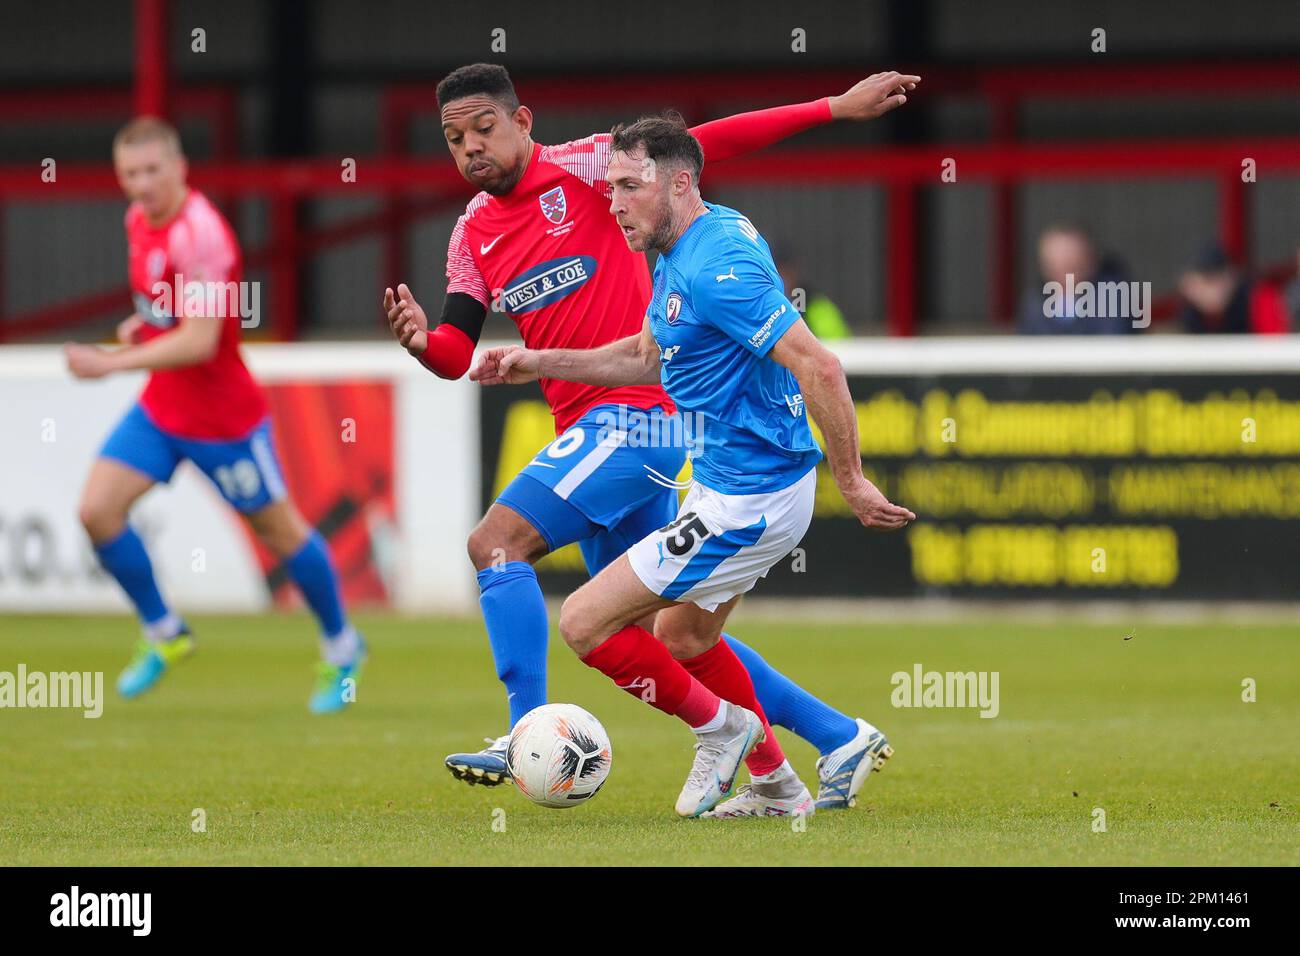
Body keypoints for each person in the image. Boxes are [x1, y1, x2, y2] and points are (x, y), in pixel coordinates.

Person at [386, 63, 917, 809]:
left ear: (523, 122)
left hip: (641, 419)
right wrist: (419, 342)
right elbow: (453, 349)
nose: (471, 147)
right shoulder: (472, 233)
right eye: (453, 138)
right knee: (668, 631)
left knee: (495, 544)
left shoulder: (593, 169)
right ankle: (817, 746)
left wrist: (834, 106)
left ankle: (525, 729)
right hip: (601, 431)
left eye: (484, 128)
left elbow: (702, 147)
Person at [65, 117, 364, 714]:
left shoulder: (202, 234)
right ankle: (165, 633)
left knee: (280, 534)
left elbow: (202, 341)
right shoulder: (137, 221)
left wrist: (113, 362)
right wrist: (143, 323)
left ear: (180, 168)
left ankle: (342, 646)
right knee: (97, 511)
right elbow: (168, 308)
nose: (143, 183)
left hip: (224, 421)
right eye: (131, 173)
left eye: (153, 170)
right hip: (162, 408)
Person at [1017, 222, 1137, 334]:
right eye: (1054, 262)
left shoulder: (1113, 296)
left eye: (1069, 260)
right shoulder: (1035, 301)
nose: (1062, 267)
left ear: (1090, 260)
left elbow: (1112, 339)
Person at [1178, 243, 1290, 334]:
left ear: (1231, 277)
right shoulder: (1186, 314)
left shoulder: (1259, 298)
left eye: (1216, 280)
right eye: (1202, 284)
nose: (1212, 290)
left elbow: (1275, 347)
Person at [774, 244, 852, 339]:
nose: (783, 279)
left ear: (794, 271)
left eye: (785, 271)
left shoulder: (817, 306)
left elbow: (840, 345)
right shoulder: (760, 307)